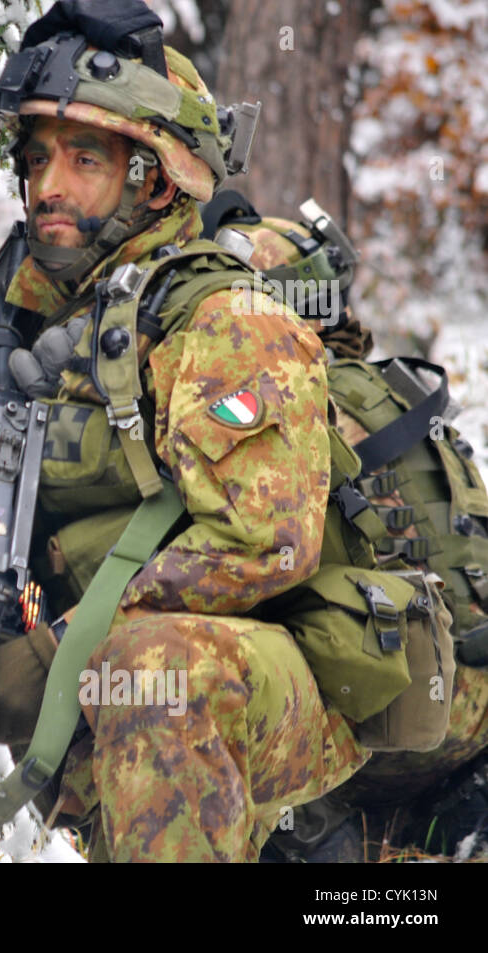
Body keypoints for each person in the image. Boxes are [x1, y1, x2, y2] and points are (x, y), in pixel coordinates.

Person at [0, 0, 371, 861]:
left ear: (154, 176)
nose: (49, 187)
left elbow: (264, 545)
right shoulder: (25, 312)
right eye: (37, 159)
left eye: (84, 159)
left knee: (150, 667)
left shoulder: (221, 315)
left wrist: (63, 649)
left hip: (296, 672)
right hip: (122, 651)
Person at [202, 191, 488, 860]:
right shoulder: (399, 390)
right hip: (472, 710)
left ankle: (313, 836)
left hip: (397, 725)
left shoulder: (274, 410)